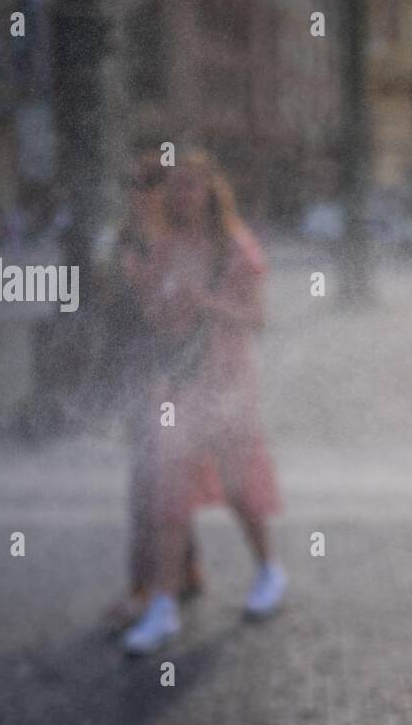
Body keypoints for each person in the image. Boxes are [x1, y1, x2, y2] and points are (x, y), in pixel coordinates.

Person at [120, 152, 285, 655]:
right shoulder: (165, 248)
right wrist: (149, 292)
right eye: (176, 186)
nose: (182, 194)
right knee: (170, 494)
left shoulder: (234, 248)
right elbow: (155, 318)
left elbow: (257, 318)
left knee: (238, 486)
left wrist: (205, 301)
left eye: (192, 185)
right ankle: (162, 604)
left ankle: (268, 570)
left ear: (212, 190)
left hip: (228, 383)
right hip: (179, 385)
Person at [99, 157, 206, 630]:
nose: (140, 194)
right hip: (136, 369)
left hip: (176, 373)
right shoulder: (125, 239)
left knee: (161, 479)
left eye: (150, 185)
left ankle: (157, 582)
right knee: (150, 479)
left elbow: (190, 314)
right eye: (133, 185)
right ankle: (167, 576)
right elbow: (114, 310)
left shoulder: (180, 242)